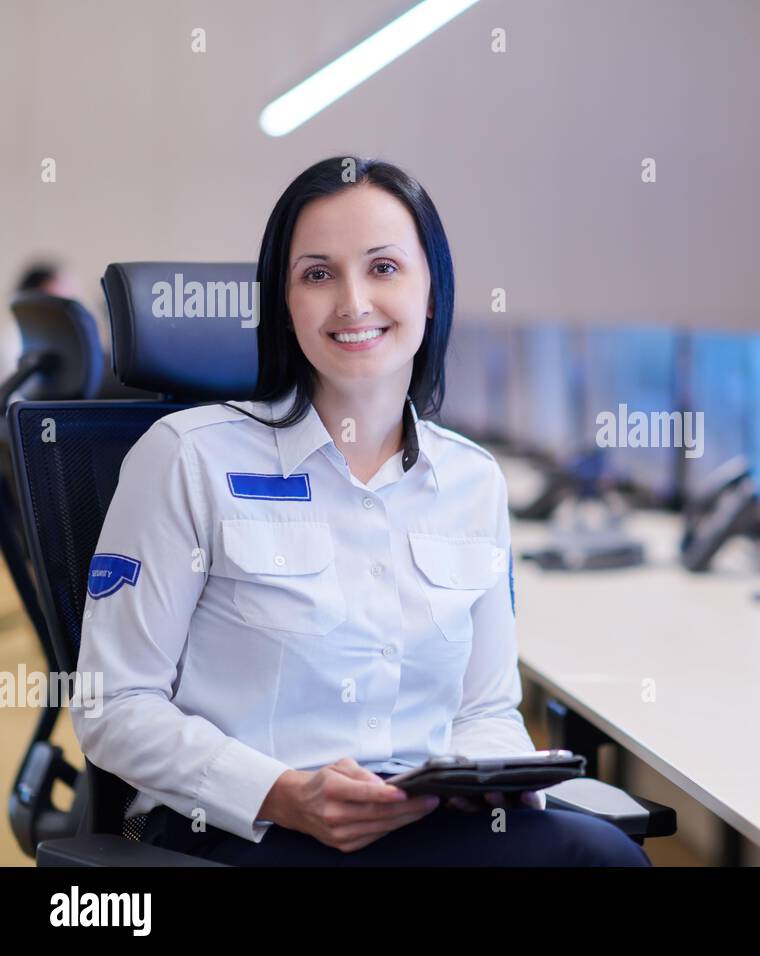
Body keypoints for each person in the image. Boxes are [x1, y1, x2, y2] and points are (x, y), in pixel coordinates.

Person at [70, 157, 650, 866]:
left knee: (599, 857)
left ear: (431, 290)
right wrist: (282, 793)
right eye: (317, 274)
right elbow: (114, 705)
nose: (352, 302)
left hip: (423, 820)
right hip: (240, 829)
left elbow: (486, 710)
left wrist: (496, 782)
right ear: (283, 302)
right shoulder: (188, 458)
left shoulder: (473, 481)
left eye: (383, 268)